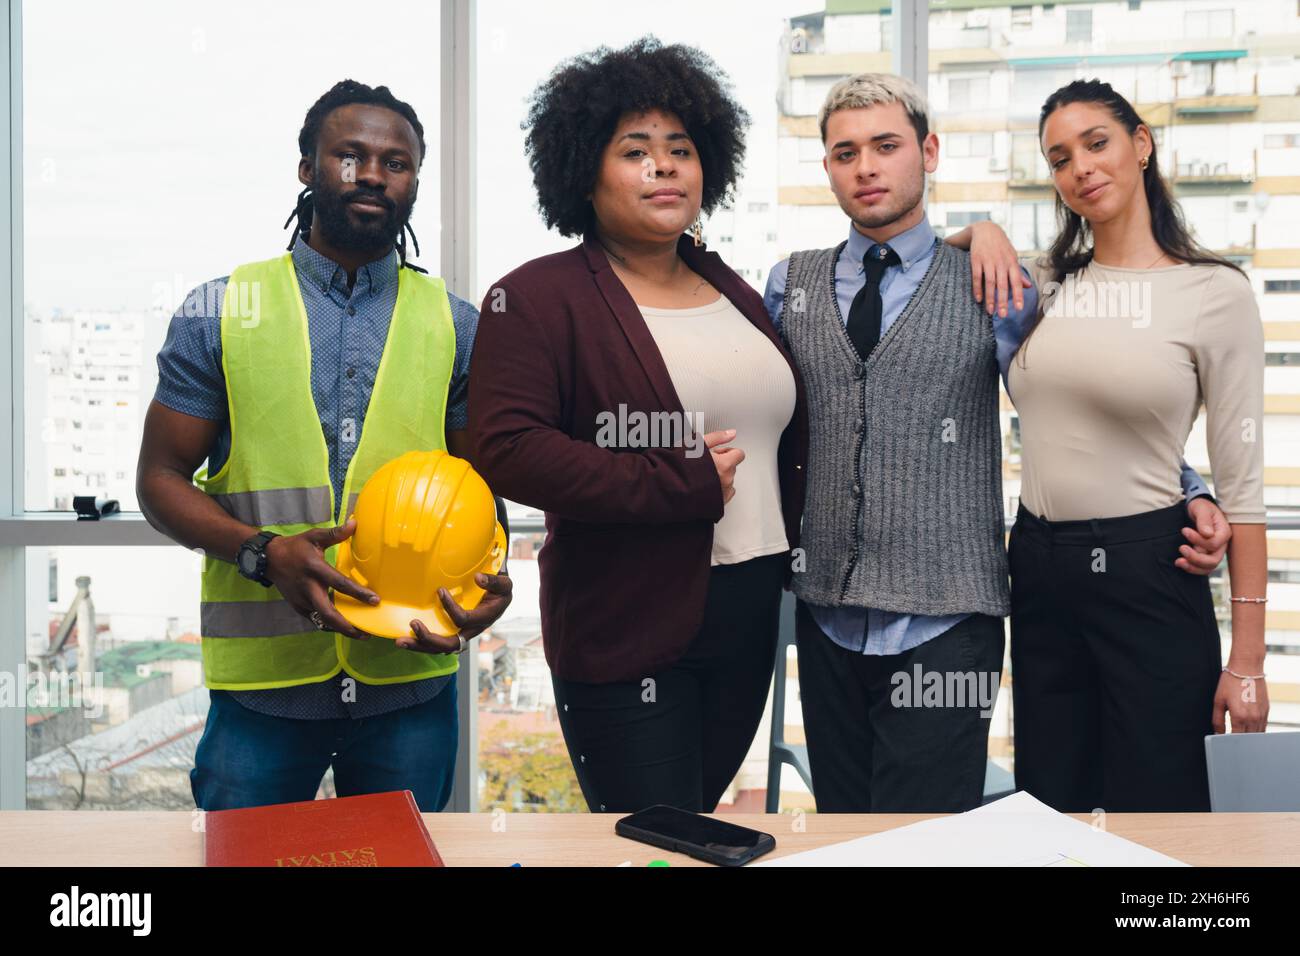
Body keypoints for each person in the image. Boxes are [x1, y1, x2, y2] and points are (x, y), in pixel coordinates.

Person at [763, 73, 1229, 813]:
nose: (867, 167)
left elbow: (1069, 406)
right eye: (845, 152)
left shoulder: (992, 285)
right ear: (827, 168)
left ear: (930, 151)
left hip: (950, 620)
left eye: (886, 146)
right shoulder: (790, 285)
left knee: (926, 849)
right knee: (846, 836)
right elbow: (768, 422)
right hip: (826, 614)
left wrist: (1191, 486)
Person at [137, 80, 513, 812]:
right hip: (262, 694)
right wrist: (261, 550)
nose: (373, 174)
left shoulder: (458, 324)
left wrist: (489, 586)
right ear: (308, 167)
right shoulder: (221, 310)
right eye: (350, 155)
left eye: (396, 163)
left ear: (413, 183)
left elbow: (482, 493)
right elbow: (160, 480)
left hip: (408, 678)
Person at [468, 37, 808, 814]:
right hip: (627, 624)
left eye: (681, 150)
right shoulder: (537, 298)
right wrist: (676, 483)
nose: (664, 166)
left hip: (749, 611)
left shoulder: (733, 287)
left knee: (702, 827)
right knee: (656, 841)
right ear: (584, 171)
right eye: (635, 150)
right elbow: (506, 449)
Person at [1001, 78, 1269, 812]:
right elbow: (939, 250)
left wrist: (1247, 662)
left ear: (1141, 145)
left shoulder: (1214, 293)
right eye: (1059, 158)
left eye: (1097, 143)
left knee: (1162, 811)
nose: (1080, 167)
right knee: (1046, 806)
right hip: (1038, 565)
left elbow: (1244, 489)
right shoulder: (1045, 286)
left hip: (1150, 568)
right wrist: (985, 234)